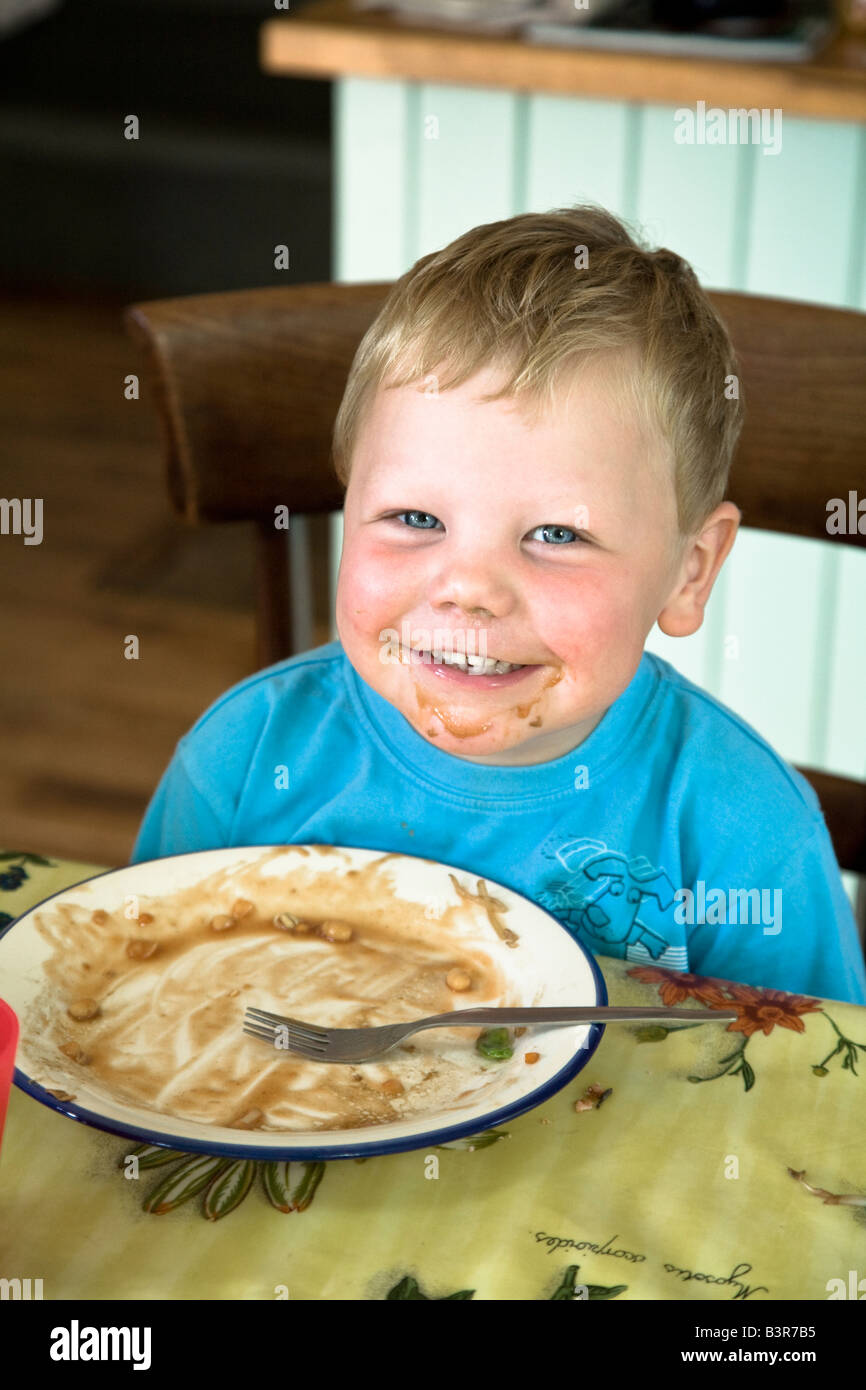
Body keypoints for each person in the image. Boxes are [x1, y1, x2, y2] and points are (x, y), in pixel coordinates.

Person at [131, 204, 866, 1006]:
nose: (469, 587)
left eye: (556, 533)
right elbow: (142, 998)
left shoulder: (745, 832)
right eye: (416, 520)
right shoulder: (244, 762)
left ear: (689, 574)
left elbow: (811, 1108)